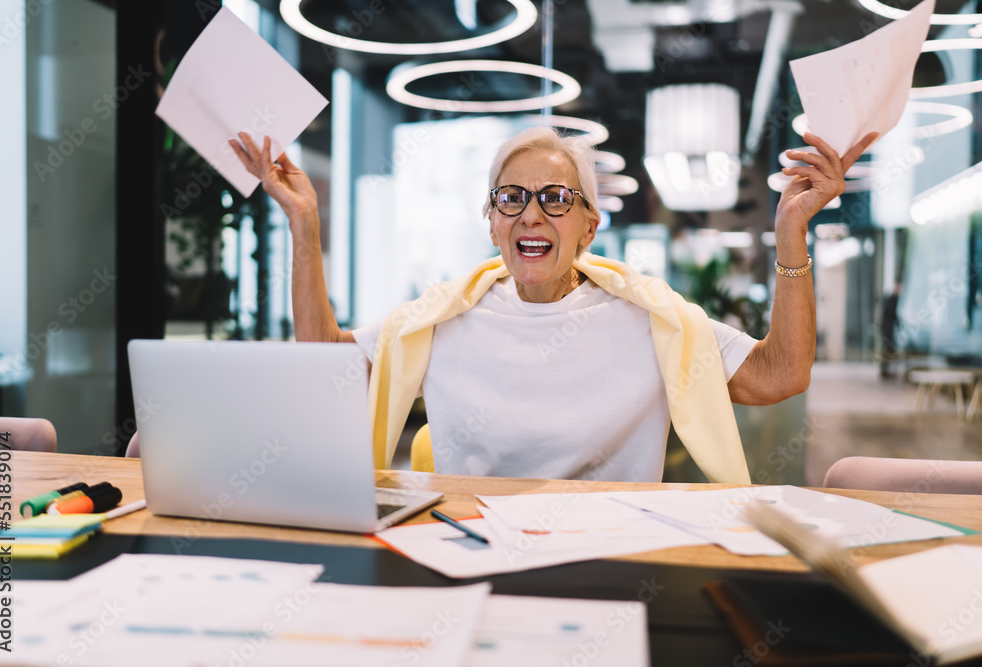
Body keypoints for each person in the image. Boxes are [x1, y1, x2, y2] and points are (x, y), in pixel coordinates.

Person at [230, 127, 876, 484]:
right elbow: (325, 364)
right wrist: (305, 226)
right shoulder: (437, 317)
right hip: (466, 548)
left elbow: (780, 373)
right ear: (491, 223)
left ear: (589, 226)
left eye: (556, 199)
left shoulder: (653, 317)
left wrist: (791, 232)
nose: (531, 213)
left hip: (612, 558)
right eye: (511, 198)